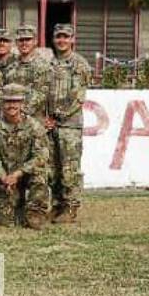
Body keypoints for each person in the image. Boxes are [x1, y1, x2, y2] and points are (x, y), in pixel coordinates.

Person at [0, 84, 52, 229]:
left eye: (15, 101)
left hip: (24, 175)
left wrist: (18, 174)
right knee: (8, 222)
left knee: (41, 173)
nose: (11, 105)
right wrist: (3, 177)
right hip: (3, 179)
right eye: (8, 101)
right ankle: (15, 206)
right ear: (2, 103)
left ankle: (35, 213)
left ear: (22, 103)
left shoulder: (34, 126)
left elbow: (41, 156)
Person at [47, 23, 92, 223]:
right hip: (50, 125)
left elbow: (77, 98)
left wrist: (56, 117)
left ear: (72, 39)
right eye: (58, 37)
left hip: (69, 125)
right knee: (53, 168)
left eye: (65, 37)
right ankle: (57, 206)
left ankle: (71, 207)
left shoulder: (79, 64)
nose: (62, 40)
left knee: (70, 167)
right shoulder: (49, 63)